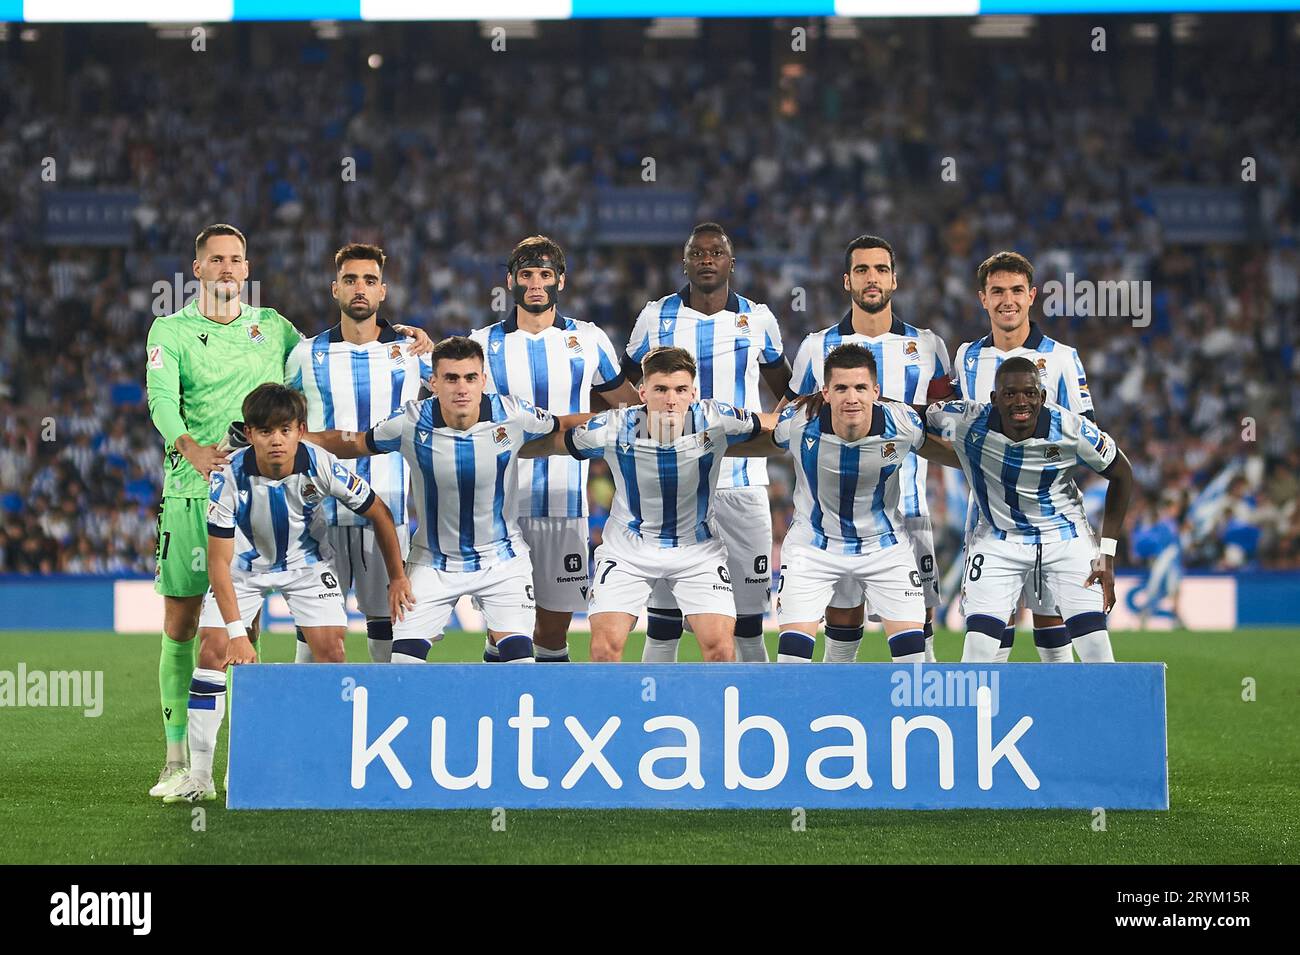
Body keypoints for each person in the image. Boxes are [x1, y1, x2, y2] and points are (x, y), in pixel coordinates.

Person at [145, 224, 431, 796]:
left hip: (269, 500)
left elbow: (340, 342)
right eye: (216, 260)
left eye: (236, 260)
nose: (227, 268)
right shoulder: (170, 329)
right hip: (191, 492)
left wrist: (401, 335)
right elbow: (160, 401)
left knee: (242, 632)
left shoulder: (272, 328)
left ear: (246, 269)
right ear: (197, 269)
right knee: (183, 628)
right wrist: (193, 449)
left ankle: (249, 758)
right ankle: (179, 758)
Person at [158, 384, 411, 803]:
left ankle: (325, 763)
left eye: (285, 430)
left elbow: (379, 512)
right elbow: (219, 564)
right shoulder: (226, 476)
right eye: (264, 431)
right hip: (244, 568)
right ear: (250, 434)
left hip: (308, 568)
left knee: (331, 651)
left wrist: (398, 577)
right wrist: (238, 632)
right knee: (212, 649)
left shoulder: (321, 463)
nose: (276, 440)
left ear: (300, 431)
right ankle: (200, 776)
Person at [309, 336, 590, 663]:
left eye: (471, 378)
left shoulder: (511, 413)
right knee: (402, 665)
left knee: (520, 666)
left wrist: (626, 421)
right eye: (451, 378)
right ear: (433, 383)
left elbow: (563, 423)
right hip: (432, 562)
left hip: (502, 560)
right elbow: (354, 443)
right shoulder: (410, 422)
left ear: (483, 380)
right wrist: (298, 436)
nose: (462, 388)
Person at [524, 346, 769, 662]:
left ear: (693, 393)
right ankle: (616, 713)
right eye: (661, 389)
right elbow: (553, 442)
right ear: (643, 392)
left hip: (698, 550)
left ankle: (708, 712)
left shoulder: (715, 419)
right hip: (628, 551)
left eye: (681, 390)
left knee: (721, 649)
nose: (671, 399)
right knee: (603, 650)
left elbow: (775, 429)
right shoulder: (612, 427)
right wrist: (499, 443)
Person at [622, 223, 791, 663]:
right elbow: (622, 387)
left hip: (742, 486)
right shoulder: (655, 317)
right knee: (663, 626)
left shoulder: (758, 318)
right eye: (698, 253)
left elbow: (786, 392)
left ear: (731, 262)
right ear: (685, 263)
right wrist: (646, 438)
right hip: (672, 489)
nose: (707, 260)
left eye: (716, 253)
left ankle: (752, 717)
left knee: (750, 625)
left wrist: (765, 433)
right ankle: (655, 721)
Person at [781, 235, 951, 661]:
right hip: (834, 517)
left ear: (895, 280)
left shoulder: (929, 346)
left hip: (909, 510)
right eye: (861, 270)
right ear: (846, 280)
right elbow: (789, 421)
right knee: (843, 623)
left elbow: (942, 424)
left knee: (920, 633)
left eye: (880, 269)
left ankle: (922, 719)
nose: (871, 278)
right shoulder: (815, 347)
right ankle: (838, 717)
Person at [470, 236, 639, 662]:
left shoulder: (589, 338)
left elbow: (629, 408)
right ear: (510, 280)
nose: (535, 283)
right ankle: (501, 719)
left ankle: (541, 726)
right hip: (499, 508)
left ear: (560, 280)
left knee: (551, 634)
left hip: (565, 505)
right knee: (504, 635)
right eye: (526, 274)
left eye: (545, 274)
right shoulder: (483, 344)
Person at [924, 357, 1134, 663]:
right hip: (999, 540)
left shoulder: (1071, 429)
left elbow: (1122, 474)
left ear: (1043, 397)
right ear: (994, 399)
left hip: (1065, 538)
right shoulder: (964, 419)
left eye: (1030, 393)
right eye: (1010, 394)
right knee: (977, 653)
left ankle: (1084, 710)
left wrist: (1107, 554)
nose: (1021, 402)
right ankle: (980, 711)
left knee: (1096, 650)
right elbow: (909, 417)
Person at [948, 250, 1098, 663]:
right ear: (983, 298)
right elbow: (962, 432)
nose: (1007, 300)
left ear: (1032, 296)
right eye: (997, 291)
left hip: (1051, 520)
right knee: (994, 632)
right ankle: (988, 723)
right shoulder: (967, 357)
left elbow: (1088, 439)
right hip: (987, 520)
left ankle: (1061, 718)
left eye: (1016, 290)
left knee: (1053, 626)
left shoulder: (1062, 357)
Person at [285, 242, 431, 663]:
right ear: (335, 289)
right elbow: (276, 412)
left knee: (386, 630)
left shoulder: (411, 352)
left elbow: (461, 385)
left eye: (370, 280)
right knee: (315, 637)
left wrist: (431, 341)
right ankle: (310, 726)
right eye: (350, 280)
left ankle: (382, 720)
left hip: (388, 513)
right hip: (319, 515)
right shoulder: (306, 354)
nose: (360, 288)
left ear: (383, 291)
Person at [742, 345, 931, 663]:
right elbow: (761, 439)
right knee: (792, 661)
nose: (851, 398)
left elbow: (944, 449)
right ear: (825, 393)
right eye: (841, 388)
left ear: (876, 391)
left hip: (884, 547)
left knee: (914, 658)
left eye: (860, 387)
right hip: (812, 547)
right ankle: (817, 710)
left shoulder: (904, 424)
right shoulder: (800, 422)